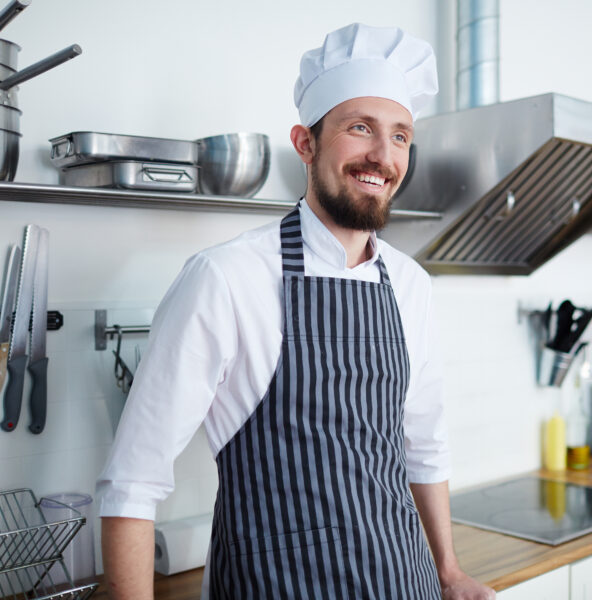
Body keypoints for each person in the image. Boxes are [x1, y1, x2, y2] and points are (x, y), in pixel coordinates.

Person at [97, 22, 495, 600]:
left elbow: (424, 446)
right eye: (360, 128)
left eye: (401, 136)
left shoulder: (411, 285)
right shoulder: (226, 279)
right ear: (305, 143)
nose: (383, 157)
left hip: (403, 584)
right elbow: (131, 483)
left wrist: (449, 572)